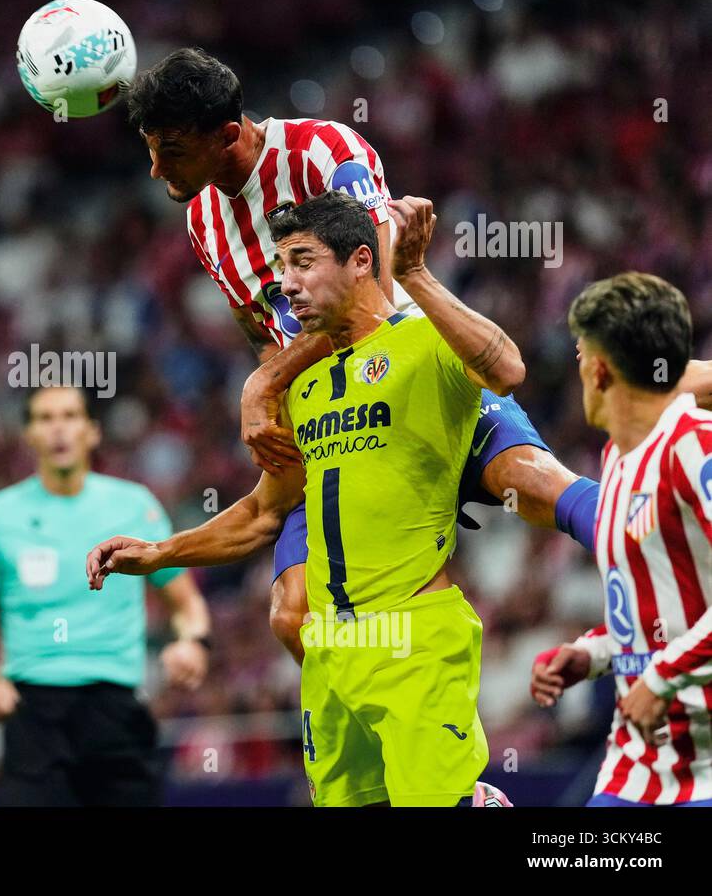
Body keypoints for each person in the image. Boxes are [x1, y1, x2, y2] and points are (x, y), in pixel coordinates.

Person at [124, 46, 675, 663]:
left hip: (411, 369)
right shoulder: (202, 219)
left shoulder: (322, 151)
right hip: (329, 410)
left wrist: (264, 384)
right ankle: (384, 719)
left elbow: (377, 280)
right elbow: (256, 322)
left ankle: (672, 552)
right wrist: (275, 391)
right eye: (149, 148)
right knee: (293, 614)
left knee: (533, 485)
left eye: (169, 149)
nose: (154, 169)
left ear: (227, 134)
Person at [91, 191, 522, 806]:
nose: (285, 283)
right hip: (330, 645)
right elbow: (266, 512)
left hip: (413, 636)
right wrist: (161, 553)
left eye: (302, 262)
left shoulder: (426, 343)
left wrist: (418, 275)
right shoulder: (306, 385)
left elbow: (507, 369)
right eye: (281, 266)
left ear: (360, 261)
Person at [0, 385, 210, 806]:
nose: (59, 430)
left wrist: (192, 642)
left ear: (92, 431)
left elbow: (186, 603)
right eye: (45, 419)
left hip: (117, 710)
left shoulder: (134, 506)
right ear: (29, 434)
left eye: (70, 417)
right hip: (33, 715)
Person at [530, 272, 712, 806]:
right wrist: (590, 654)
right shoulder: (614, 461)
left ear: (602, 368)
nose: (578, 369)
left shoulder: (694, 447)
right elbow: (654, 615)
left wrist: (663, 678)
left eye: (581, 354)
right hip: (637, 769)